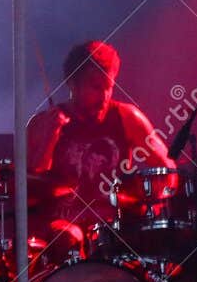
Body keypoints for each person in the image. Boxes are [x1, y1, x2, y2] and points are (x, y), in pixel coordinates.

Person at [26, 40, 173, 243]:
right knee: (66, 238)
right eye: (95, 87)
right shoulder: (41, 124)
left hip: (116, 231)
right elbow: (27, 190)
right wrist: (49, 139)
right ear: (72, 83)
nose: (104, 96)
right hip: (61, 231)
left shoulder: (127, 118)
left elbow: (167, 170)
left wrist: (150, 203)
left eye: (109, 87)